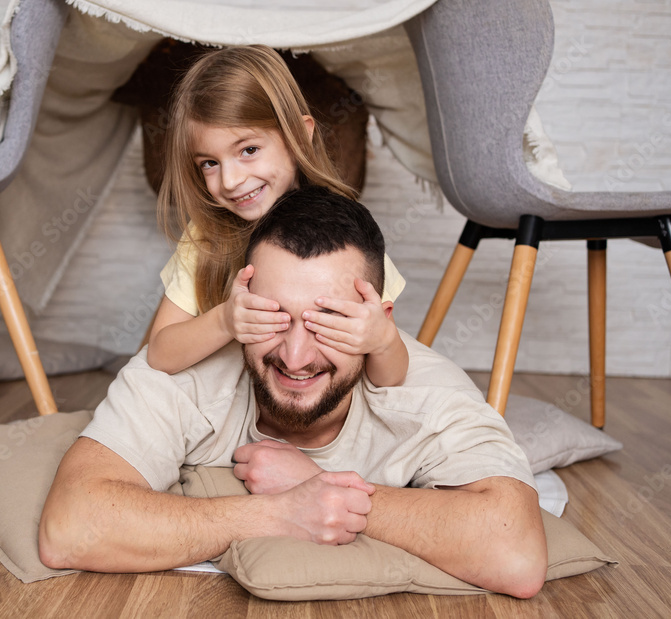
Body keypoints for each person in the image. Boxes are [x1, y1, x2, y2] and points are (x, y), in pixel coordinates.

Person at [40, 187, 547, 598]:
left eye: (328, 322)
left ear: (376, 322)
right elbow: (69, 527)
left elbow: (517, 555)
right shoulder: (189, 371)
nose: (296, 356)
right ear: (242, 304)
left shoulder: (424, 388)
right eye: (273, 317)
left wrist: (322, 486)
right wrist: (281, 512)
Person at [146, 45, 409, 388]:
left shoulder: (345, 237)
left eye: (248, 150)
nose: (230, 181)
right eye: (209, 163)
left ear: (299, 134)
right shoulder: (206, 236)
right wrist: (225, 321)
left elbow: (388, 379)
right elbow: (159, 354)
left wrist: (382, 341)